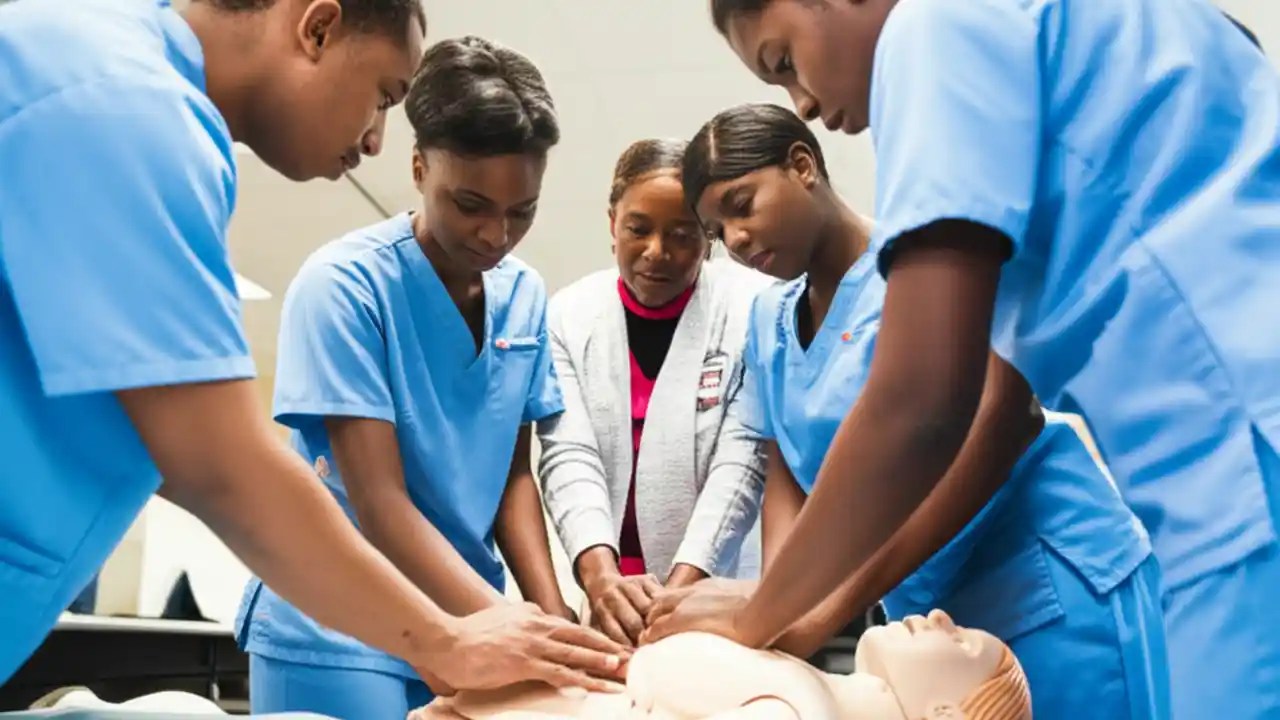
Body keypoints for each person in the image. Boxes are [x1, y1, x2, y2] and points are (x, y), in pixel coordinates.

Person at [653, 0, 1280, 717]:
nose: (803, 101)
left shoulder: (939, 28)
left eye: (785, 60)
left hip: (1229, 470)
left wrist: (761, 615)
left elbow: (928, 402)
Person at [0, 0, 623, 691]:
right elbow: (223, 466)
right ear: (317, 26)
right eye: (383, 95)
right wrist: (447, 640)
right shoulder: (128, 104)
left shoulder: (123, 88)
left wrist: (538, 618)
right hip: (346, 636)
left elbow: (167, 443)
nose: (376, 138)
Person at [649, 103, 1167, 718]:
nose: (734, 239)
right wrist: (779, 607)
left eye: (742, 206)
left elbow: (992, 429)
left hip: (1043, 583)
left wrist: (820, 607)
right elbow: (784, 467)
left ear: (802, 165)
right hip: (928, 623)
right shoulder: (769, 320)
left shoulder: (928, 270)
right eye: (716, 230)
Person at [234, 35, 593, 718]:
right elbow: (381, 503)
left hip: (470, 615)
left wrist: (553, 620)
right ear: (420, 167)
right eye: (470, 205)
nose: (496, 235)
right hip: (339, 624)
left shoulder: (524, 294)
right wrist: (509, 628)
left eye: (522, 212)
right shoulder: (344, 287)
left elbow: (514, 479)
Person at [537, 139, 771, 647]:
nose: (656, 252)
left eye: (682, 235)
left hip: (712, 584)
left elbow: (742, 463)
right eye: (638, 229)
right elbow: (569, 455)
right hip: (604, 587)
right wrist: (601, 581)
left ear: (708, 237)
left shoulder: (749, 309)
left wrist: (679, 597)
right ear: (612, 223)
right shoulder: (568, 315)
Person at [414, 610, 1032, 720]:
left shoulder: (805, 711)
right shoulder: (809, 687)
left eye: (964, 645)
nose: (944, 615)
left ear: (947, 715)